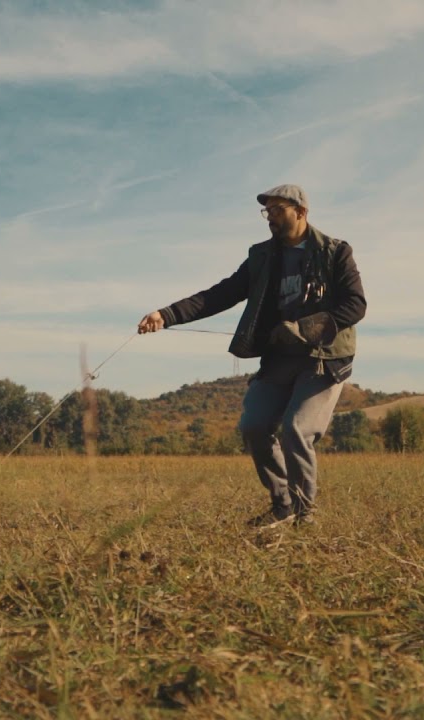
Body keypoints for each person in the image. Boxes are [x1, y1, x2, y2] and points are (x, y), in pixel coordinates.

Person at [137, 184, 366, 527]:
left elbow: (355, 305)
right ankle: (283, 506)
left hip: (323, 357)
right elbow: (221, 294)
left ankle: (306, 516)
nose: (270, 218)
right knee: (255, 426)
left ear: (301, 212)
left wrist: (306, 328)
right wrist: (166, 315)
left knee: (296, 429)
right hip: (278, 358)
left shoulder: (335, 251)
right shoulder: (262, 257)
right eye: (267, 212)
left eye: (277, 210)